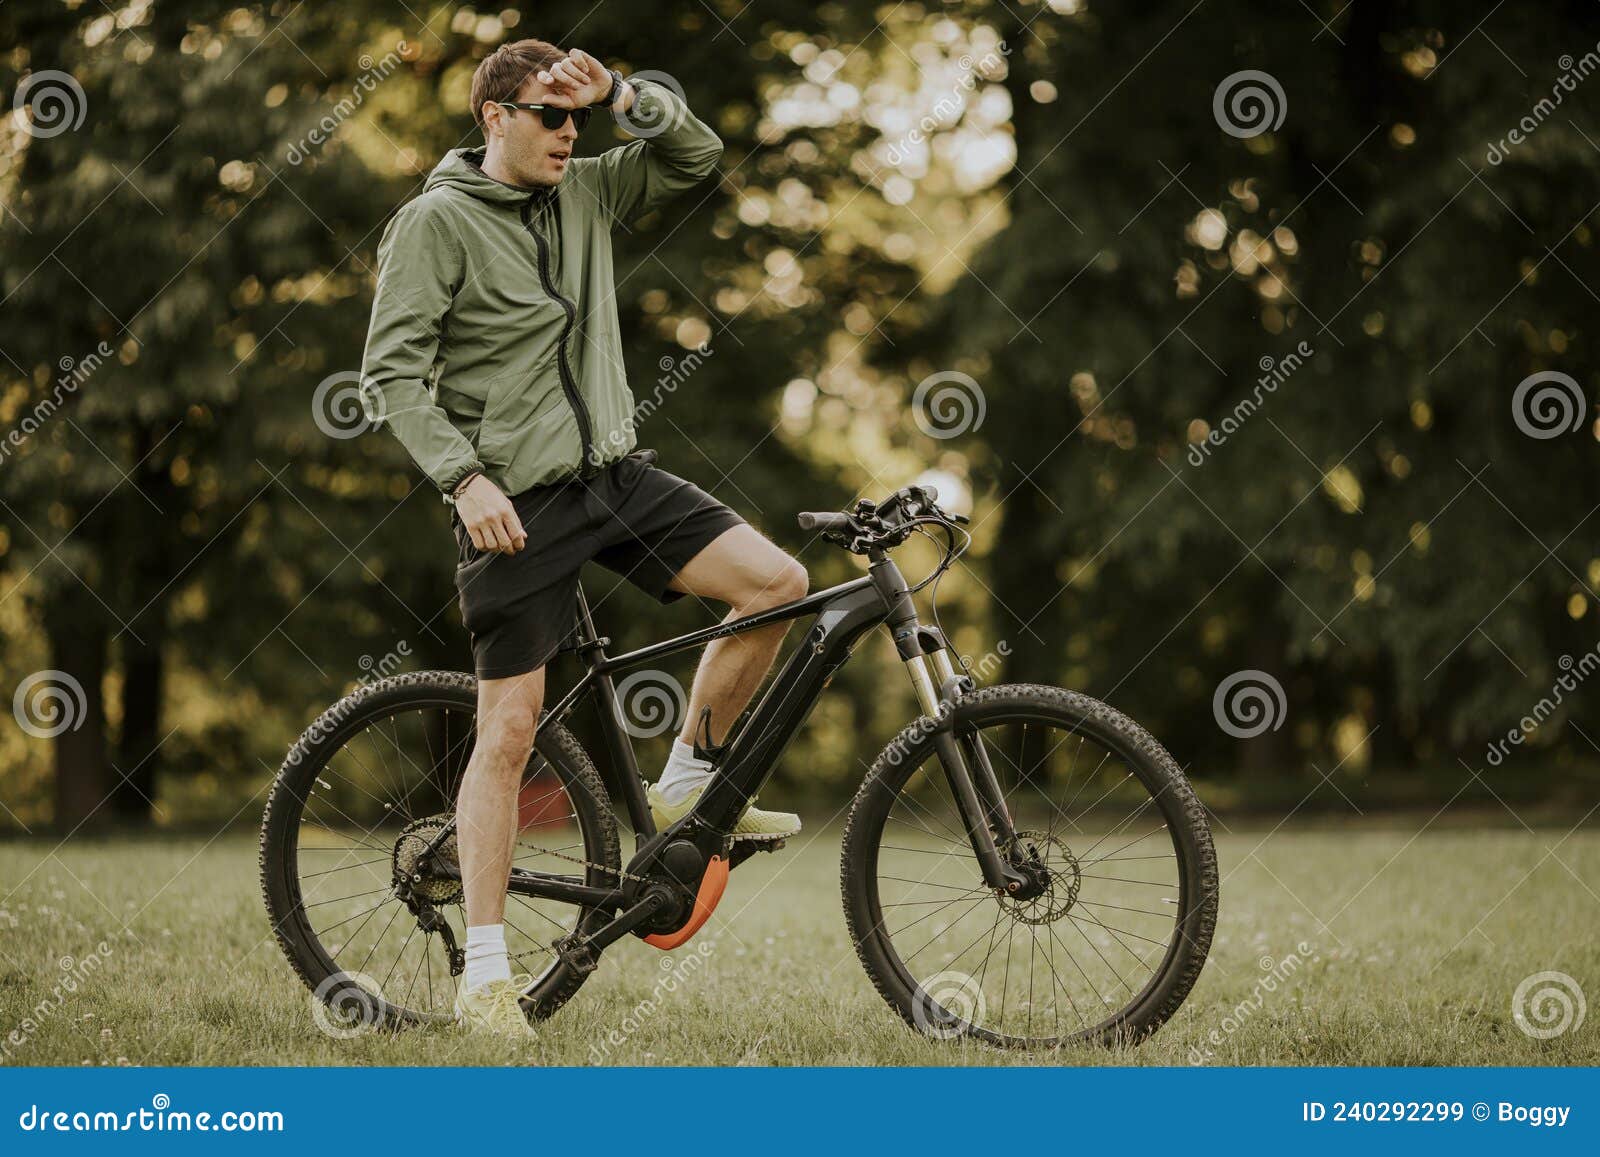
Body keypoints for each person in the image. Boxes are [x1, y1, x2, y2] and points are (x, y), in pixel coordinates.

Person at [360, 39, 806, 1037]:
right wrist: (464, 477)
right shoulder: (434, 223)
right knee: (509, 730)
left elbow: (696, 156)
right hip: (513, 502)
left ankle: (686, 780)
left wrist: (623, 92)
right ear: (494, 116)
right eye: (549, 115)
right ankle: (485, 978)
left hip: (612, 476)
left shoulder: (589, 192)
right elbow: (389, 376)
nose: (570, 133)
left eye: (578, 118)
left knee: (777, 582)